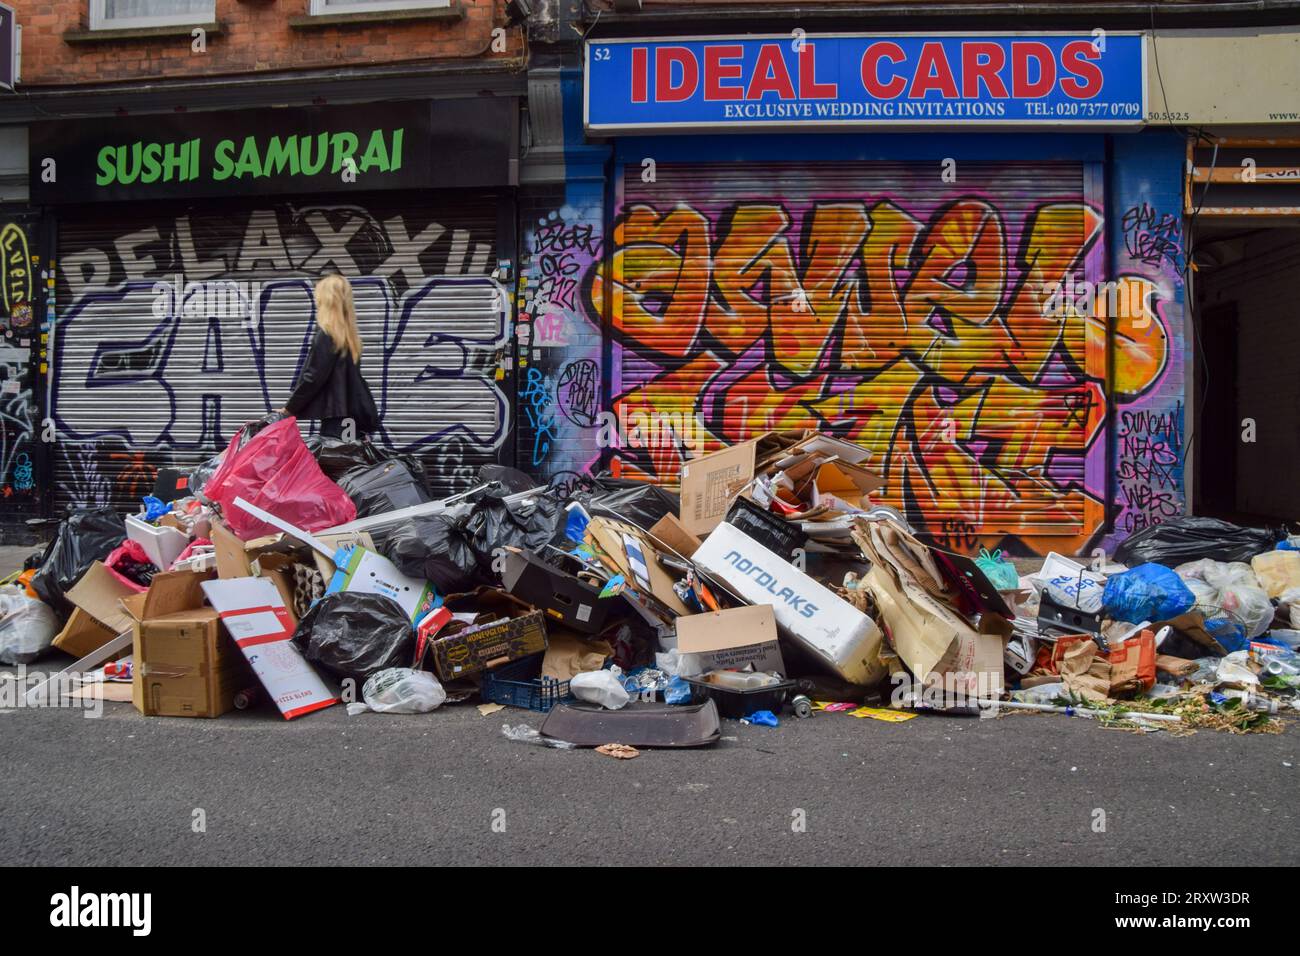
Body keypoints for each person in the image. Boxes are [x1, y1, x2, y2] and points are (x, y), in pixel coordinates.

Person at [281, 274, 380, 439]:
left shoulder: (327, 335)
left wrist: (289, 409)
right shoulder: (350, 338)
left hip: (336, 420)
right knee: (348, 462)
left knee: (333, 461)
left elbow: (313, 377)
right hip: (350, 417)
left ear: (326, 300)